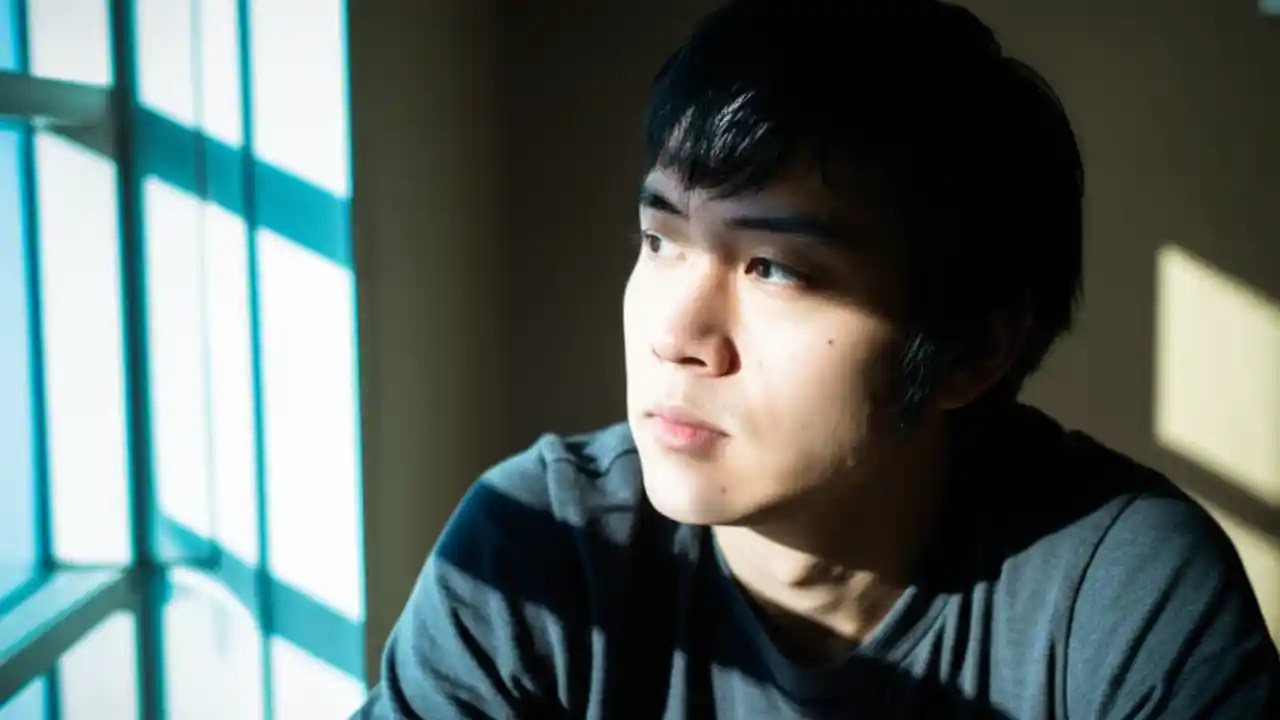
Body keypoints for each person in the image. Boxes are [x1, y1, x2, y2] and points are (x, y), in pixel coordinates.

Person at [355, 1, 1280, 717]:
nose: (676, 334)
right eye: (661, 240)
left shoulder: (1115, 592)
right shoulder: (540, 553)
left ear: (971, 349)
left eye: (775, 268)